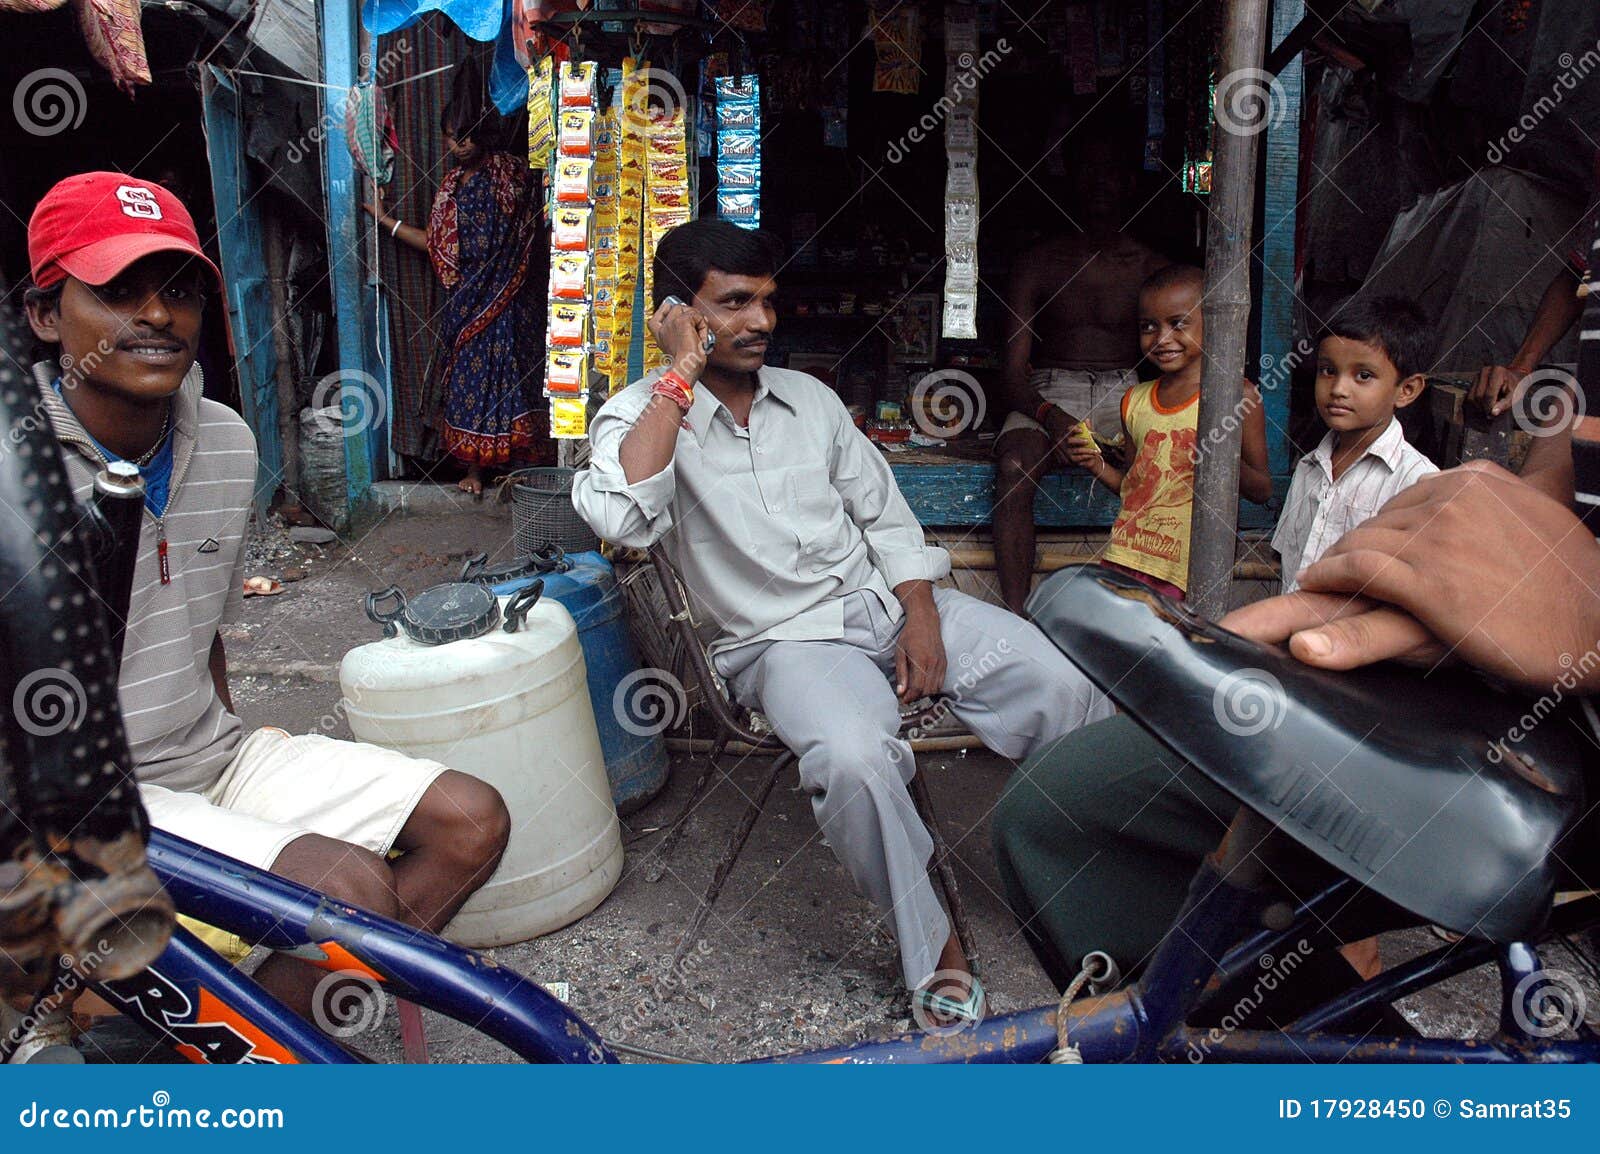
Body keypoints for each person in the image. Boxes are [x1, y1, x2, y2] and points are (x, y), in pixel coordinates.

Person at [571, 218, 1114, 1026]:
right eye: (734, 303)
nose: (760, 322)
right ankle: (935, 950)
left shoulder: (813, 401)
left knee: (1064, 686)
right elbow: (622, 522)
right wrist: (680, 373)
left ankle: (1095, 892)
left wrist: (921, 613)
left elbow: (890, 522)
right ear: (681, 314)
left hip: (885, 605)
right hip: (782, 643)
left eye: (767, 301)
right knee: (857, 761)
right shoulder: (637, 418)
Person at [23, 173, 511, 1029]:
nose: (157, 314)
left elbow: (202, 626)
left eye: (178, 289)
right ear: (43, 314)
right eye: (116, 288)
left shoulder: (227, 439)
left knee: (470, 821)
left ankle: (251, 1041)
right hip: (83, 801)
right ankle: (192, 1082)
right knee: (348, 889)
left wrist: (235, 758)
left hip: (212, 756)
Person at [991, 459, 1600, 991]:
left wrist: (1584, 611)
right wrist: (1511, 543)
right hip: (1510, 682)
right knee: (1067, 806)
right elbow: (1569, 444)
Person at [992, 139, 1173, 614]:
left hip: (1128, 391)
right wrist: (1052, 418)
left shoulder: (1154, 270)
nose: (1099, 185)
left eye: (1110, 173)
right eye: (1087, 173)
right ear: (1069, 183)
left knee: (1166, 472)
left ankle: (1150, 610)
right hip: (1049, 388)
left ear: (1131, 185)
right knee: (1013, 467)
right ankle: (1017, 614)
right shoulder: (1037, 262)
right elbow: (1011, 377)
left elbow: (1180, 363)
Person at [366, 64, 549, 494]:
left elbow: (535, 219)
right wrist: (383, 220)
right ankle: (474, 472)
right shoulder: (449, 185)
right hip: (467, 304)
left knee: (514, 381)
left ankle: (518, 471)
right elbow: (436, 243)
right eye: (451, 136)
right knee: (470, 382)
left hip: (511, 298)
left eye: (465, 134)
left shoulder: (510, 173)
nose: (458, 144)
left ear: (482, 133)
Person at [1065, 264, 1272, 601]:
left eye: (1178, 324)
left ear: (1213, 324)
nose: (1162, 339)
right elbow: (1135, 486)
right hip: (1127, 556)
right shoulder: (1135, 400)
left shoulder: (1237, 398)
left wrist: (1217, 455)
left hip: (1188, 570)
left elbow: (1262, 490)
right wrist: (1095, 464)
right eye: (1148, 326)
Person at [1271, 296, 1437, 593]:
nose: (1338, 389)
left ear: (1407, 390)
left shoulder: (1418, 481)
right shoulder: (1308, 467)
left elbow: (1419, 589)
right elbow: (1287, 564)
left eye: (1363, 376)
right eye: (1328, 370)